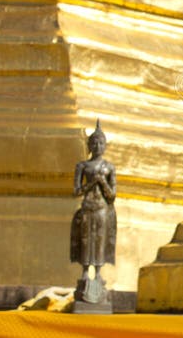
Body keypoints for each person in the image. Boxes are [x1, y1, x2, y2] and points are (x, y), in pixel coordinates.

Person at [70, 120, 117, 282]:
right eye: (94, 143)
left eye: (101, 143)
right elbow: (76, 191)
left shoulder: (109, 167)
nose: (98, 146)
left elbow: (112, 195)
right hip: (87, 206)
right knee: (85, 239)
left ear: (105, 145)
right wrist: (91, 183)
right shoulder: (82, 166)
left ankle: (98, 272)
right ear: (89, 145)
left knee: (99, 239)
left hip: (102, 208)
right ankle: (84, 271)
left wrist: (102, 181)